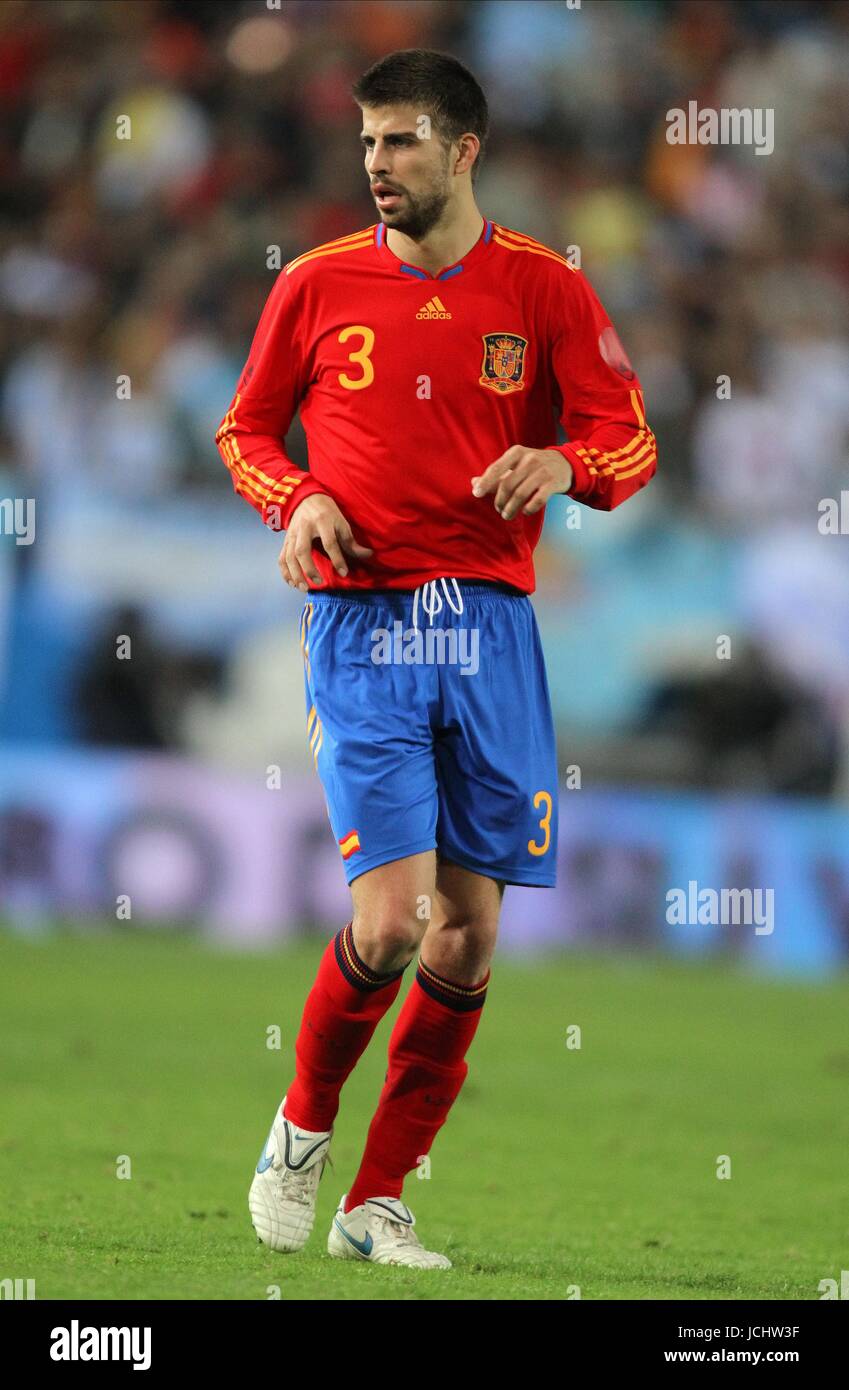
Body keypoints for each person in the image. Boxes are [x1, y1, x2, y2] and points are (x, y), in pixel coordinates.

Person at [216, 48, 657, 1269]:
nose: (377, 161)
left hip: (492, 630)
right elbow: (245, 430)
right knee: (394, 918)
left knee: (467, 933)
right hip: (366, 624)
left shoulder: (546, 289)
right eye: (368, 141)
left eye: (401, 139)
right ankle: (304, 1123)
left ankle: (376, 1202)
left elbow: (629, 439)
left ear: (463, 150)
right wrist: (298, 498)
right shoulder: (314, 284)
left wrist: (564, 462)